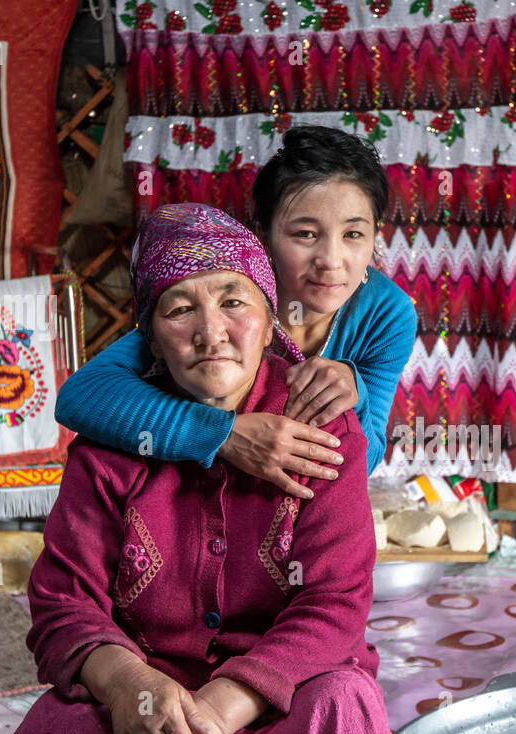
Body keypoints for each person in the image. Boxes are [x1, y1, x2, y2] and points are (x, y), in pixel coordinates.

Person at [0, 204, 390, 734]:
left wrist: (212, 715)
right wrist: (131, 689)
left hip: (273, 724)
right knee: (54, 732)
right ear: (149, 339)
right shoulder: (112, 446)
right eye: (179, 309)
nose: (212, 332)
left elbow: (334, 604)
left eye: (234, 301)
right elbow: (64, 604)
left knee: (343, 702)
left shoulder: (322, 431)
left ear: (270, 322)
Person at [54, 125, 418, 493]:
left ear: (375, 235)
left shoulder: (387, 315)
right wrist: (221, 436)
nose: (331, 261)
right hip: (192, 491)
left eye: (353, 234)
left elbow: (362, 463)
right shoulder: (227, 295)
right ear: (264, 236)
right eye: (305, 234)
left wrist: (357, 392)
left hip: (297, 504)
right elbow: (80, 398)